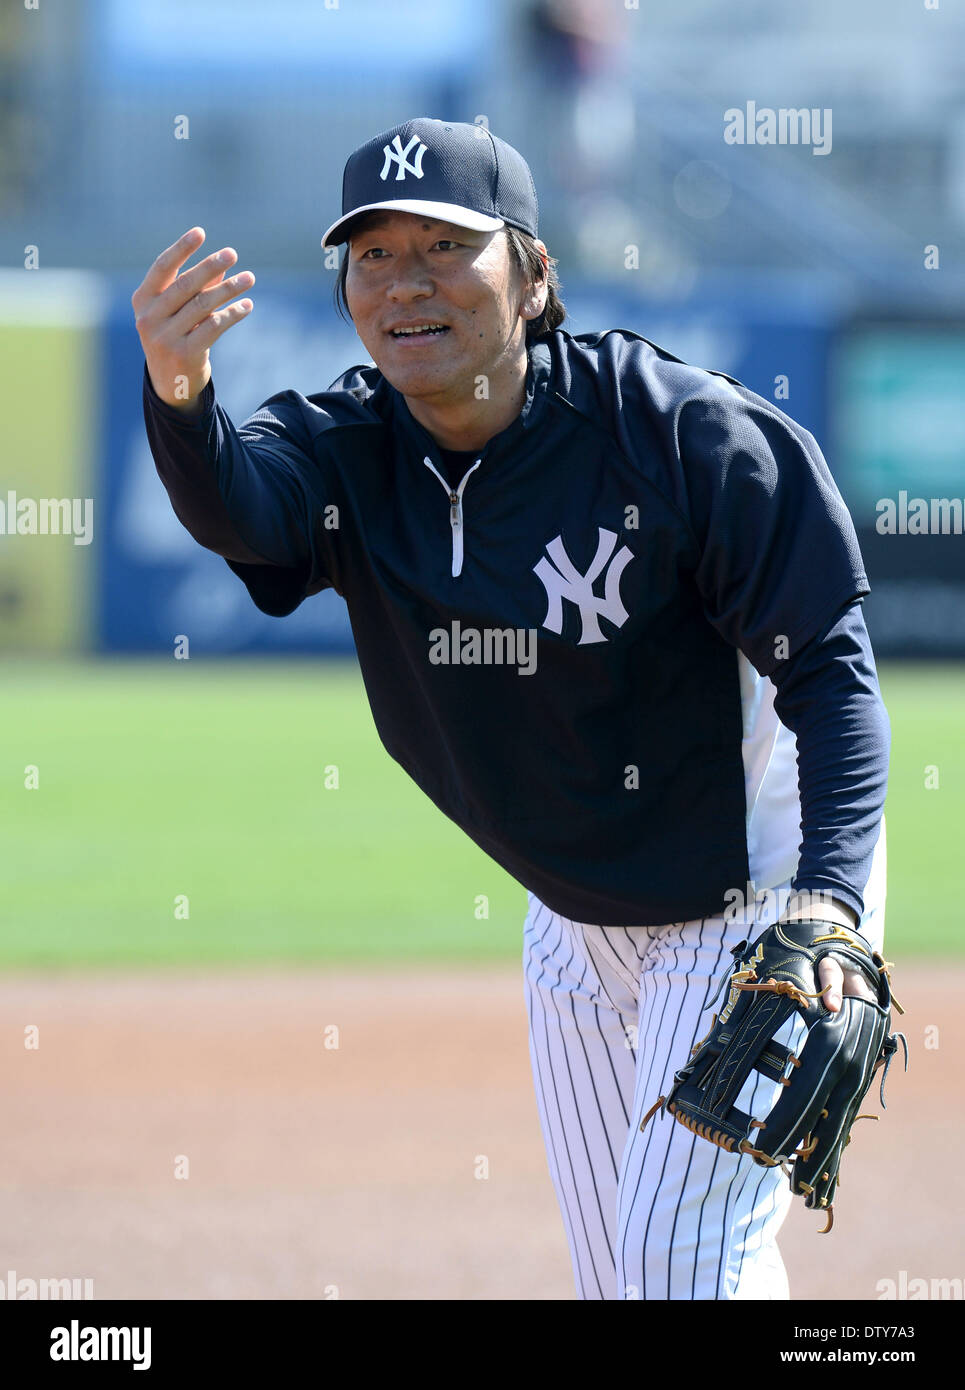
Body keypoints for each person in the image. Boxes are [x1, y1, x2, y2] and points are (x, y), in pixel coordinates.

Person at [133, 117, 890, 1300]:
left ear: (533, 275)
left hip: (753, 888)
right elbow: (248, 509)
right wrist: (181, 398)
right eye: (372, 255)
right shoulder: (347, 449)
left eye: (445, 244)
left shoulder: (679, 438)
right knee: (632, 1278)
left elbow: (829, 674)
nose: (404, 282)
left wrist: (832, 902)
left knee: (669, 1263)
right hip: (571, 919)